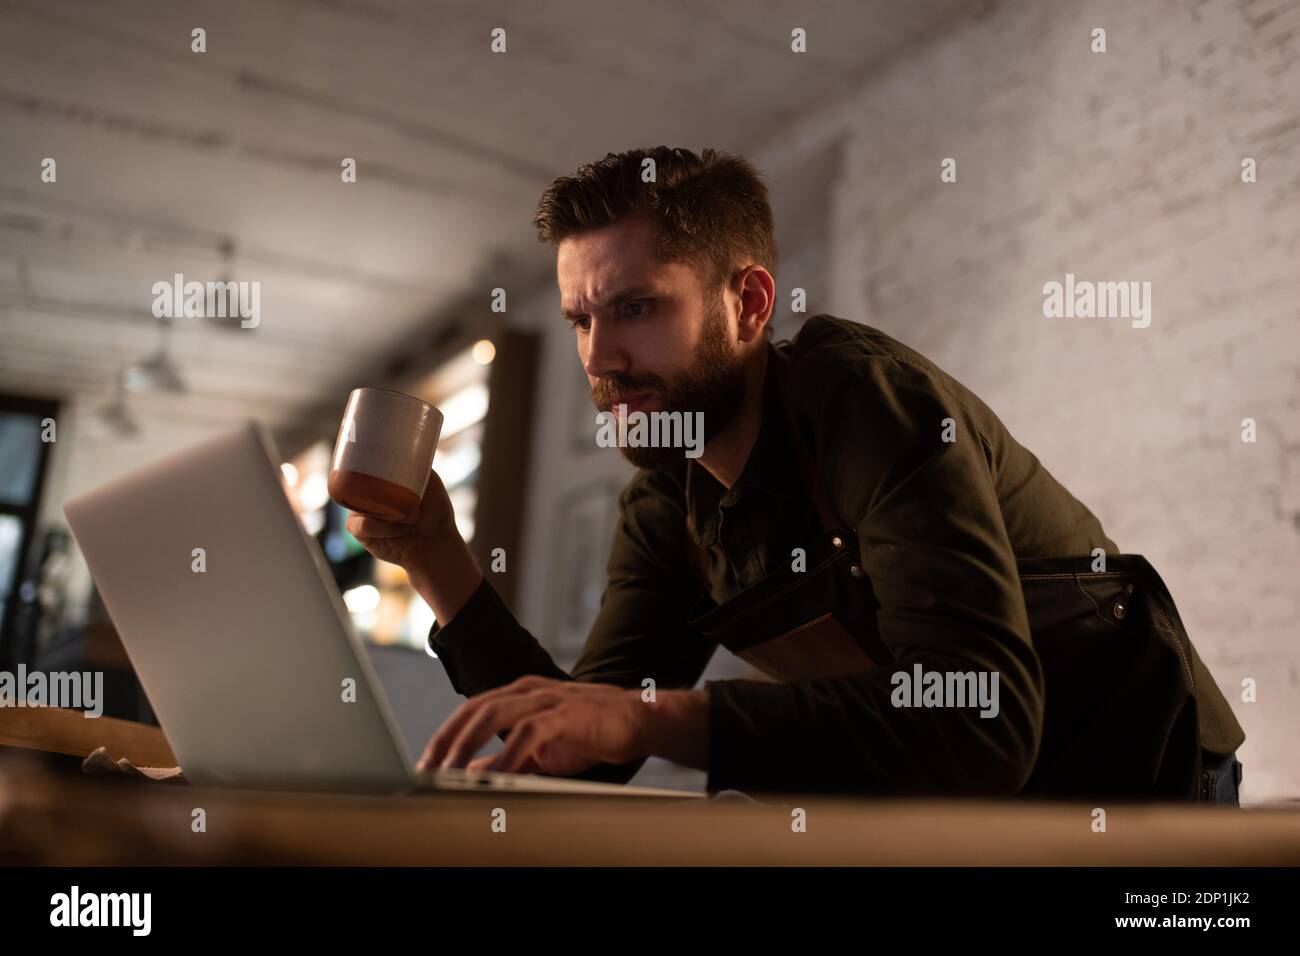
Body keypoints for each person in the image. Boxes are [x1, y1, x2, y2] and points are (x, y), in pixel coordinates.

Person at [349, 146, 1245, 802]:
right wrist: (436, 561)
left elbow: (982, 714)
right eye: (581, 318)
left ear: (748, 304)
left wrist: (659, 719)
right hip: (990, 803)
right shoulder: (668, 504)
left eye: (634, 308)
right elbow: (591, 741)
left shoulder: (862, 399)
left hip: (1146, 773)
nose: (601, 356)